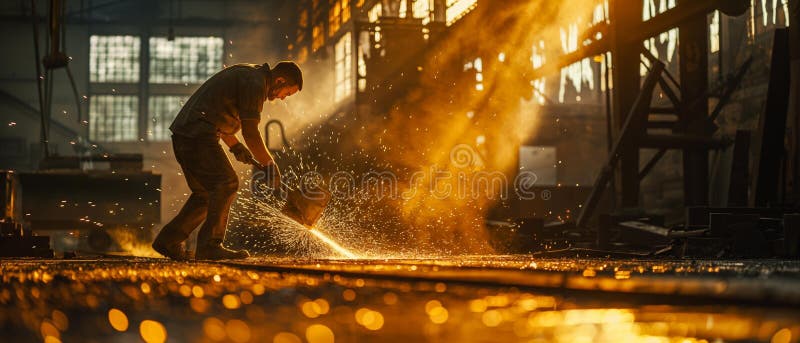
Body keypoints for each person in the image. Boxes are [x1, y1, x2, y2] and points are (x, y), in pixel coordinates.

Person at [152, 61, 302, 260]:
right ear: (280, 80)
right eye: (287, 93)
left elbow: (217, 115)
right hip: (198, 135)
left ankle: (168, 241)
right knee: (226, 183)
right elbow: (251, 132)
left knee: (205, 194)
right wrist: (269, 164)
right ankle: (209, 246)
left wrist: (235, 146)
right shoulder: (256, 84)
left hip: (186, 135)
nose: (283, 98)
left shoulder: (250, 75)